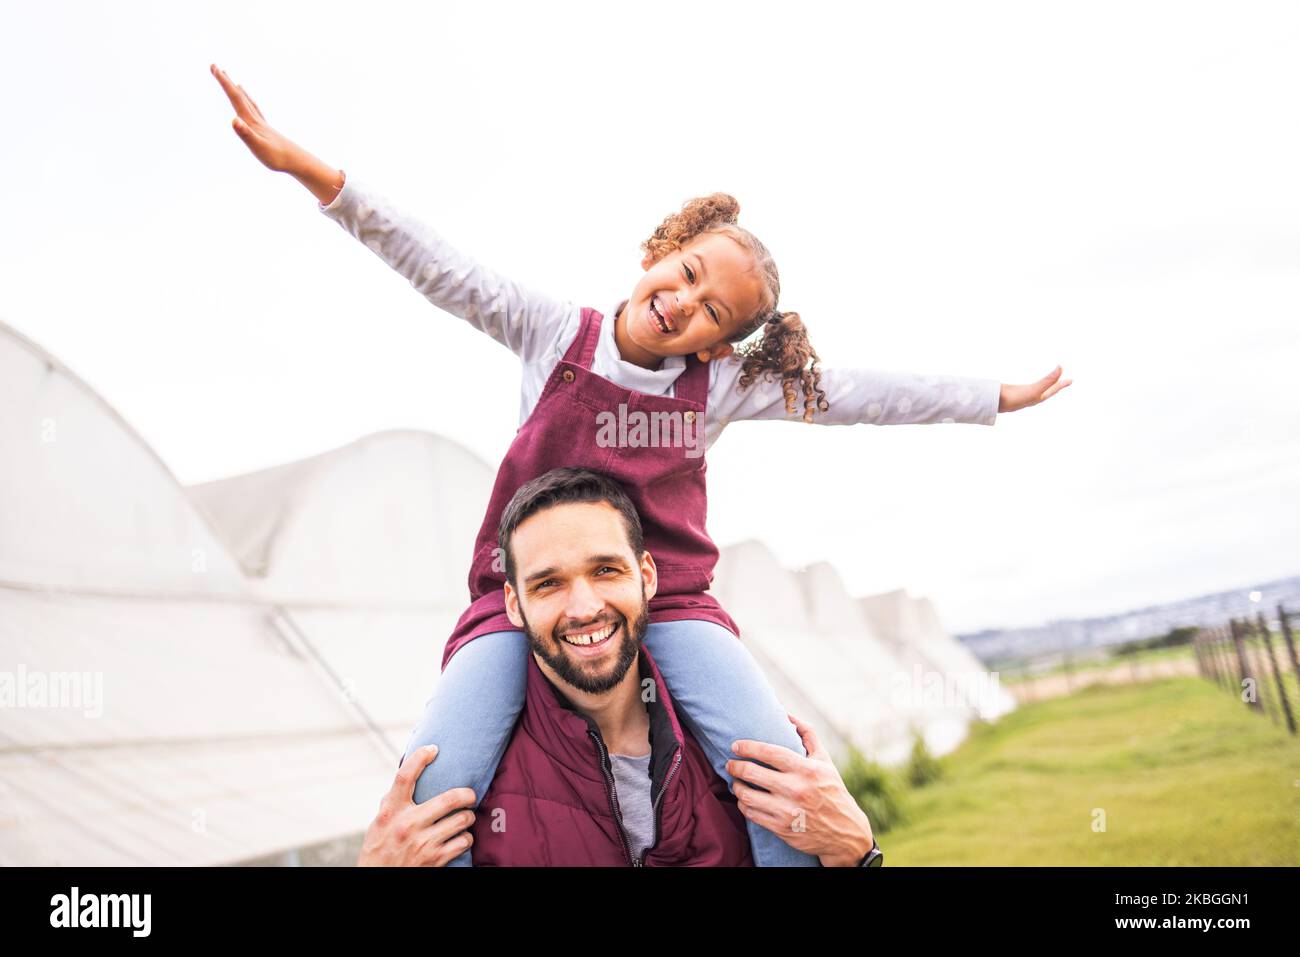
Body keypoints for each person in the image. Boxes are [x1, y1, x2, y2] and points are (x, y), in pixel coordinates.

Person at [210, 62, 1070, 866]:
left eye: (712, 312)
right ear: (661, 248)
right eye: (687, 273)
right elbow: (438, 265)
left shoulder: (720, 390)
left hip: (673, 603)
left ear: (721, 342)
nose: (684, 303)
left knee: (778, 779)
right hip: (526, 602)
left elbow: (861, 393)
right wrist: (312, 174)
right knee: (436, 785)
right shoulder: (555, 335)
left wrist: (994, 395)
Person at [357, 468, 880, 866]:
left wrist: (858, 852)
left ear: (647, 576)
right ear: (513, 605)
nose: (584, 607)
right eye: (548, 583)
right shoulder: (463, 795)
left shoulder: (740, 752)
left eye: (605, 570)